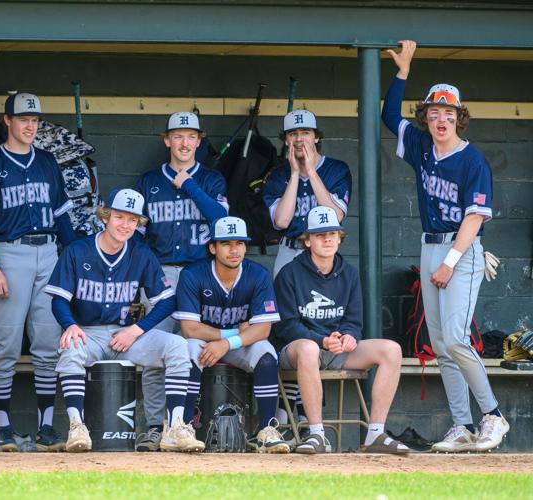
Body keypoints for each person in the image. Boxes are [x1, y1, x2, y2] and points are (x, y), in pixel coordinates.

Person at [383, 40, 508, 453]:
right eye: (434, 113)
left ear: (459, 118)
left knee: (455, 338)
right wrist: (402, 72)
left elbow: (474, 218)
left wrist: (451, 261)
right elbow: (388, 115)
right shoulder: (421, 147)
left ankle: (493, 415)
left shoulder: (472, 161)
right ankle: (462, 425)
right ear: (426, 117)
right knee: (440, 345)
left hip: (462, 250)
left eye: (449, 114)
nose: (441, 120)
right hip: (429, 246)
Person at [46, 188, 204, 453]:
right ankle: (77, 427)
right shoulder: (78, 251)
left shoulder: (141, 254)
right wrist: (70, 325)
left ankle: (175, 427)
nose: (125, 225)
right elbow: (58, 299)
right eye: (119, 217)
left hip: (126, 336)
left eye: (133, 220)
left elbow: (168, 300)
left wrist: (136, 329)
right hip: (89, 334)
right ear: (105, 217)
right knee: (70, 349)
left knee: (177, 346)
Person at [0, 92, 76, 452]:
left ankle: (46, 427)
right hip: (10, 253)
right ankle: (4, 425)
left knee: (47, 345)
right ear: (8, 120)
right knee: (8, 345)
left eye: (35, 120)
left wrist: (72, 259)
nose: (31, 126)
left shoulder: (47, 161)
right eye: (24, 119)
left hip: (49, 253)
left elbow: (62, 216)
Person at [273, 206, 408, 455]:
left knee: (392, 350)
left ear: (340, 238)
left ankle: (375, 434)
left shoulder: (349, 273)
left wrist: (348, 337)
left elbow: (354, 321)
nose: (327, 239)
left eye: (332, 234)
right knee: (308, 348)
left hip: (335, 349)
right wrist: (322, 340)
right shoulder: (289, 273)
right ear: (307, 240)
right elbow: (286, 327)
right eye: (320, 234)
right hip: (298, 350)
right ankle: (316, 434)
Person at [134, 111, 229, 451]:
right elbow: (137, 236)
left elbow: (222, 220)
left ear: (199, 142)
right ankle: (153, 425)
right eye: (178, 136)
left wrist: (188, 183)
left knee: (192, 351)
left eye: (191, 136)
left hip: (197, 274)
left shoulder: (212, 180)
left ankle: (181, 424)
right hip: (159, 273)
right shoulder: (148, 181)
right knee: (154, 351)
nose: (184, 143)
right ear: (167, 140)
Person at [172, 216, 288, 453]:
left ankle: (266, 430)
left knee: (266, 354)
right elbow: (190, 329)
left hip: (236, 344)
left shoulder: (257, 274)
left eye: (240, 243)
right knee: (188, 351)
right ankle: (181, 429)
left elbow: (263, 329)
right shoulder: (193, 274)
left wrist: (227, 343)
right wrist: (230, 335)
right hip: (203, 344)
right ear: (213, 247)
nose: (235, 250)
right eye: (226, 244)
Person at [263, 110, 352, 277]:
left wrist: (311, 171)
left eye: (305, 133)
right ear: (285, 140)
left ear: (316, 137)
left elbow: (336, 216)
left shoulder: (336, 169)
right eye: (293, 134)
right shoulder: (278, 175)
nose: (299, 139)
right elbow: (282, 221)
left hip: (323, 252)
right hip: (289, 250)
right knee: (285, 302)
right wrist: (295, 173)